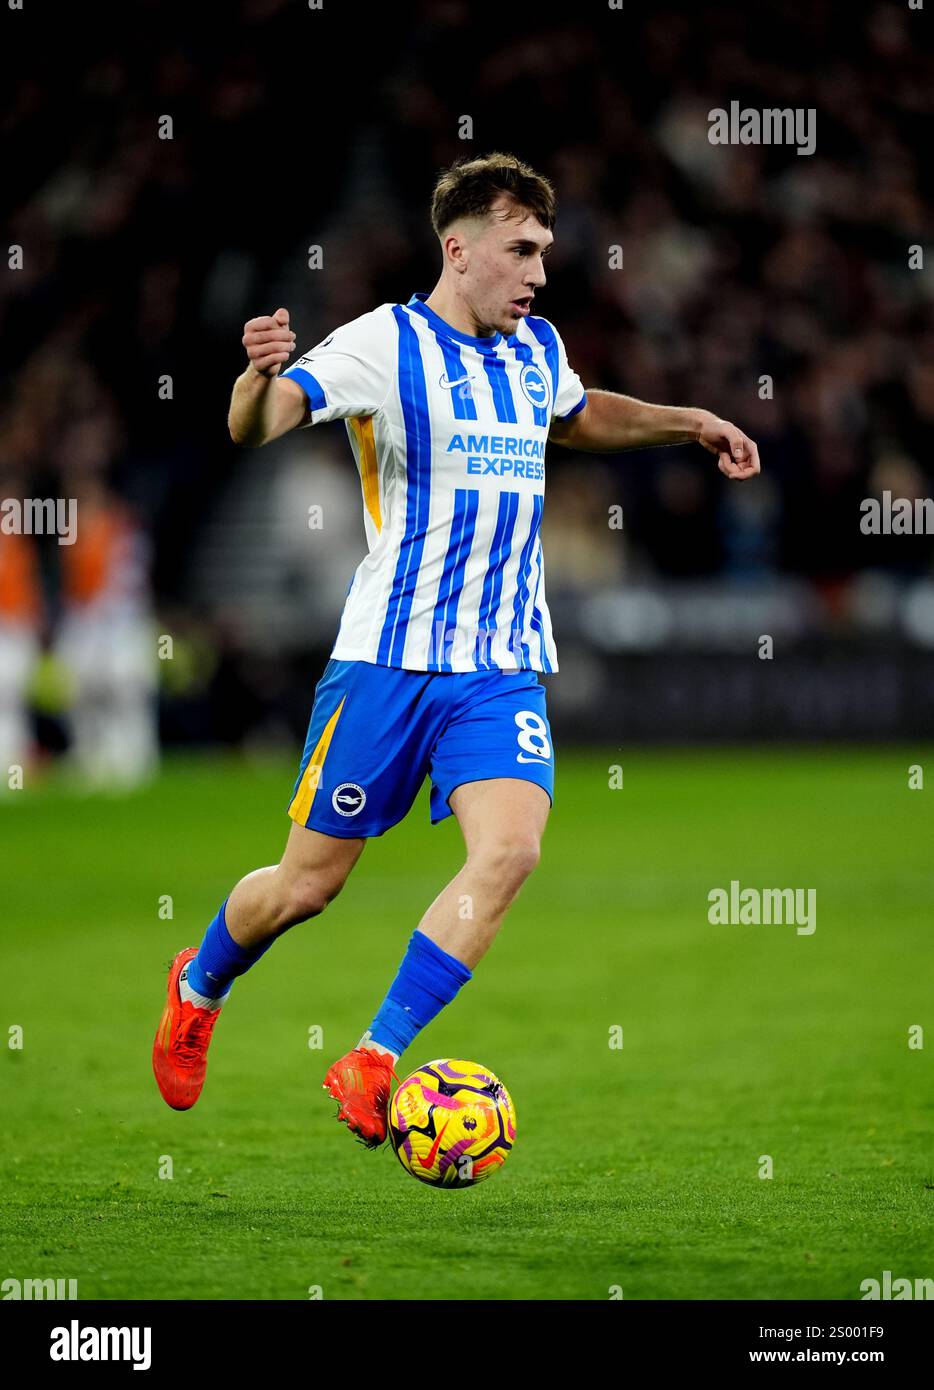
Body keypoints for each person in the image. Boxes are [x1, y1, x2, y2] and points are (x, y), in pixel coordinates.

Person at [152, 152, 760, 1145]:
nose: (539, 272)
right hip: (386, 661)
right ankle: (200, 983)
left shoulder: (536, 348)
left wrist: (687, 422)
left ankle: (374, 1055)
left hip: (499, 666)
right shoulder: (382, 344)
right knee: (306, 886)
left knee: (512, 849)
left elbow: (578, 414)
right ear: (459, 249)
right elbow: (258, 425)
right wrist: (255, 378)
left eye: (544, 251)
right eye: (521, 250)